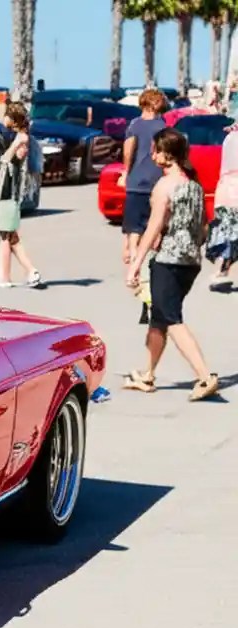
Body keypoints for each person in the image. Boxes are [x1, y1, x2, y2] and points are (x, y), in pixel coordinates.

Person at [125, 128, 220, 401]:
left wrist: (135, 264)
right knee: (159, 318)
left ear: (166, 154)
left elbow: (153, 229)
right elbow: (202, 228)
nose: (152, 154)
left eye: (155, 149)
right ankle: (148, 373)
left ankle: (205, 376)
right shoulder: (194, 185)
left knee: (171, 318)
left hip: (168, 260)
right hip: (190, 261)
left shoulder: (164, 187)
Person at [0, 104, 43, 288]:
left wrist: (13, 146)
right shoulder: (19, 137)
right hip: (6, 189)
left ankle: (6, 277)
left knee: (5, 235)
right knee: (10, 236)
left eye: (6, 115)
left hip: (9, 190)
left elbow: (7, 160)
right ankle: (30, 271)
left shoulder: (22, 139)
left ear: (13, 119)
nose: (3, 119)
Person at [120, 89, 168, 269]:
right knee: (155, 218)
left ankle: (133, 253)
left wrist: (126, 172)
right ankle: (147, 255)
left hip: (136, 181)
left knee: (134, 223)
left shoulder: (135, 125)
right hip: (157, 180)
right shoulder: (163, 127)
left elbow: (128, 150)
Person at [206, 125, 238, 290]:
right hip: (231, 192)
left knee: (227, 233)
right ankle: (221, 270)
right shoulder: (232, 138)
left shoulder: (230, 138)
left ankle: (221, 269)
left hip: (226, 191)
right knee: (230, 234)